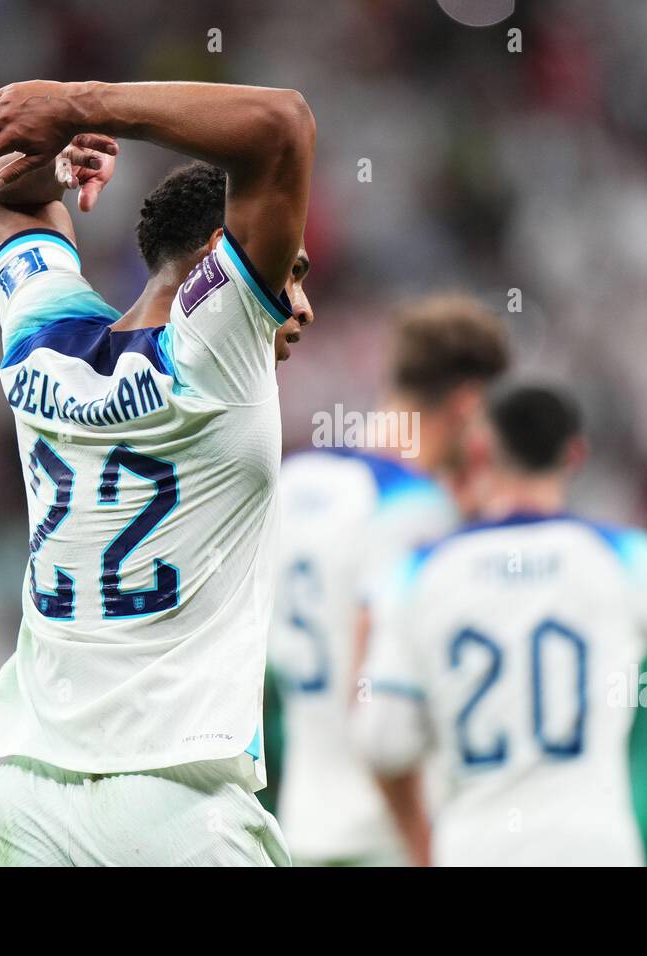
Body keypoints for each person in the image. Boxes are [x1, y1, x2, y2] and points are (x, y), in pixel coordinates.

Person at [0, 79, 315, 866]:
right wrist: (83, 107)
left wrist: (46, 162)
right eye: (295, 269)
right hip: (174, 814)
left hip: (23, 804)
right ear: (222, 262)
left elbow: (6, 199)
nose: (301, 306)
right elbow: (283, 124)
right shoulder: (216, 349)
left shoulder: (44, 343)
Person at [356, 383, 647, 866]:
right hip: (592, 848)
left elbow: (383, 742)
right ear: (576, 455)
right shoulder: (630, 559)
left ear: (481, 451)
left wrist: (421, 844)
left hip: (475, 848)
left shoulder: (416, 575)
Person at [270, 294, 509, 865]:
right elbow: (372, 692)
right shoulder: (415, 512)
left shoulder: (297, 480)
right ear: (469, 404)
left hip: (299, 824)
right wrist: (423, 845)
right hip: (386, 835)